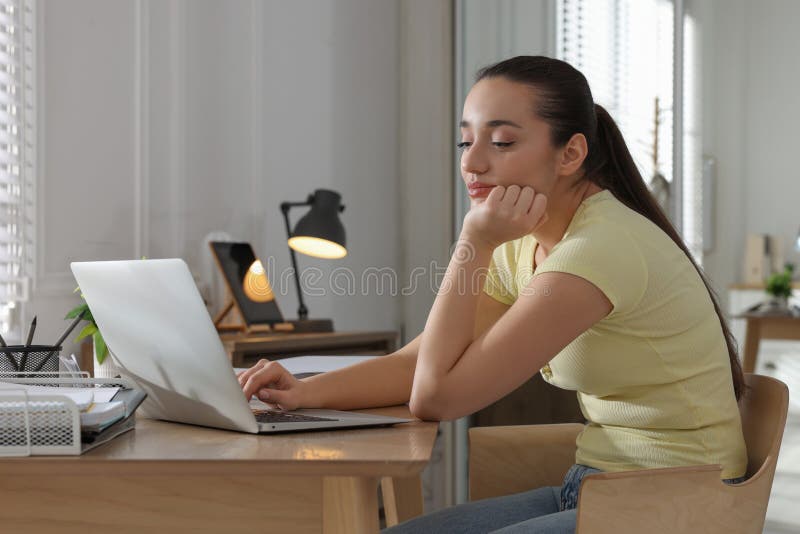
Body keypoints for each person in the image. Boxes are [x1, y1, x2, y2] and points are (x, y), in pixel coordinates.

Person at [236, 56, 747, 533]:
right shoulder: (526, 244)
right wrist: (303, 393)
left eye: (501, 142)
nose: (473, 163)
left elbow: (436, 398)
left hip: (679, 505)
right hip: (593, 485)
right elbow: (420, 363)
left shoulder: (600, 249)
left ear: (571, 153)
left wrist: (472, 241)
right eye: (466, 142)